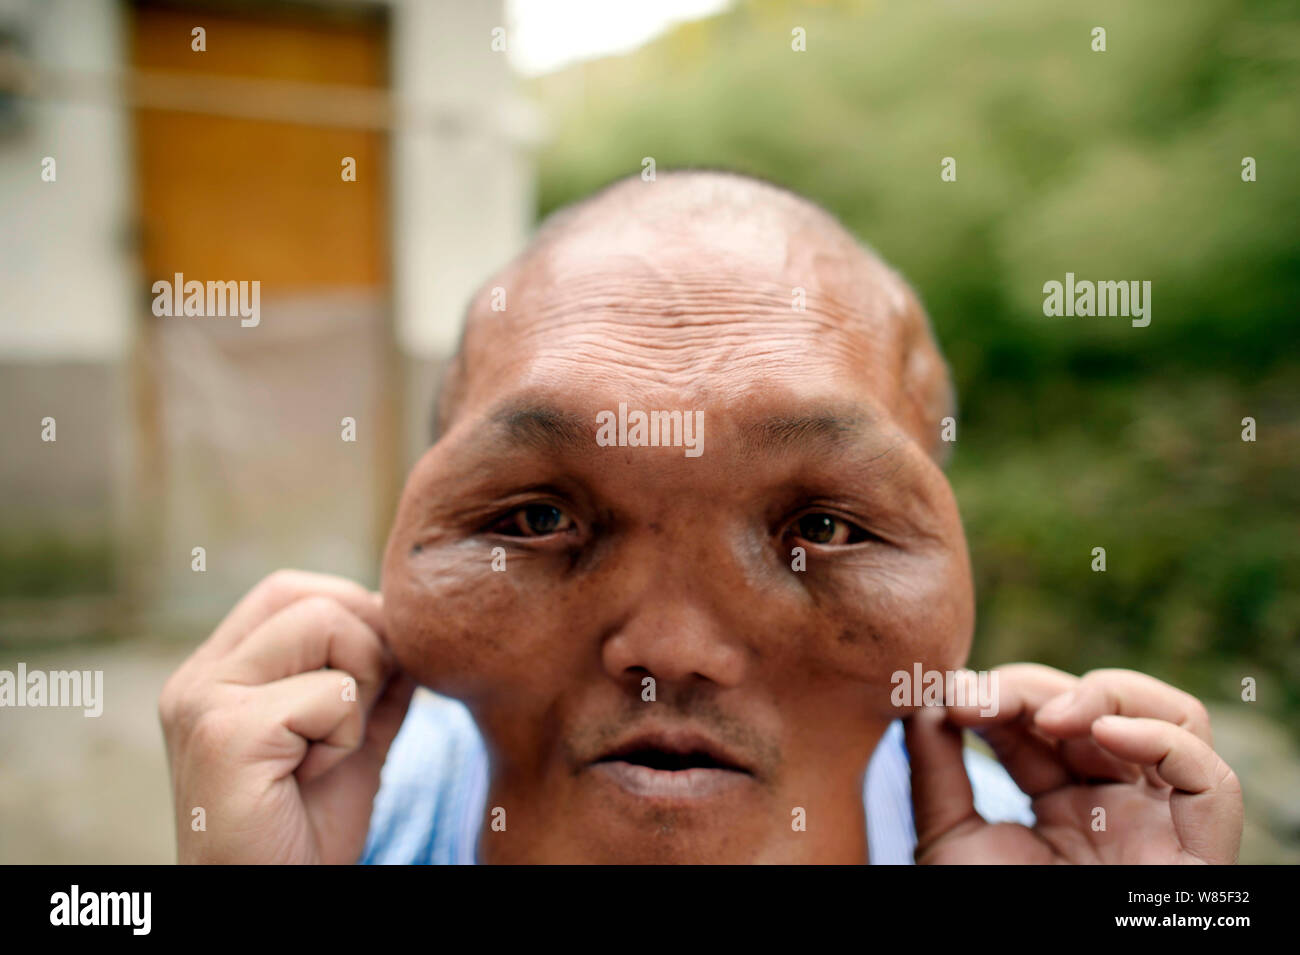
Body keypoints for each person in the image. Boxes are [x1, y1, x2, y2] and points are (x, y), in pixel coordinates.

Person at [159, 170, 1243, 864]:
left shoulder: (1059, 843)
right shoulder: (333, 819)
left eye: (820, 528)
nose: (670, 649)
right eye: (538, 514)